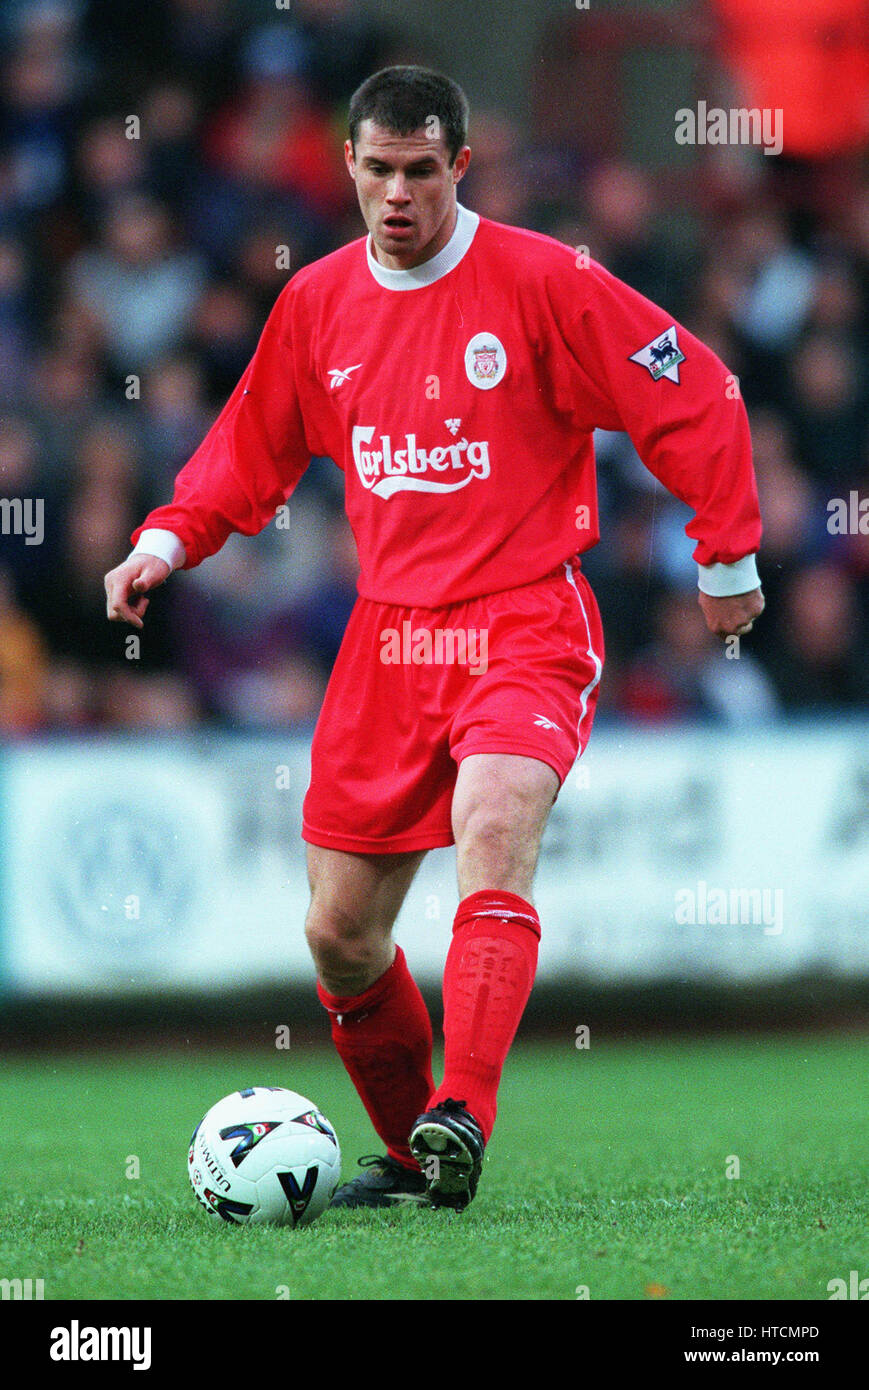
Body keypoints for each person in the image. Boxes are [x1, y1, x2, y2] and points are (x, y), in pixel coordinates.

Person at [105, 66, 764, 1212]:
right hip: (386, 640)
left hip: (522, 614)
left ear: (458, 166)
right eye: (376, 170)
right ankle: (418, 1156)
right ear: (348, 167)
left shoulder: (545, 282)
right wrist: (164, 541)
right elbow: (244, 453)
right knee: (339, 936)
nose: (396, 194)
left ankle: (463, 1104)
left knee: (494, 819)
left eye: (420, 171)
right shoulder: (314, 304)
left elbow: (693, 390)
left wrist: (724, 553)